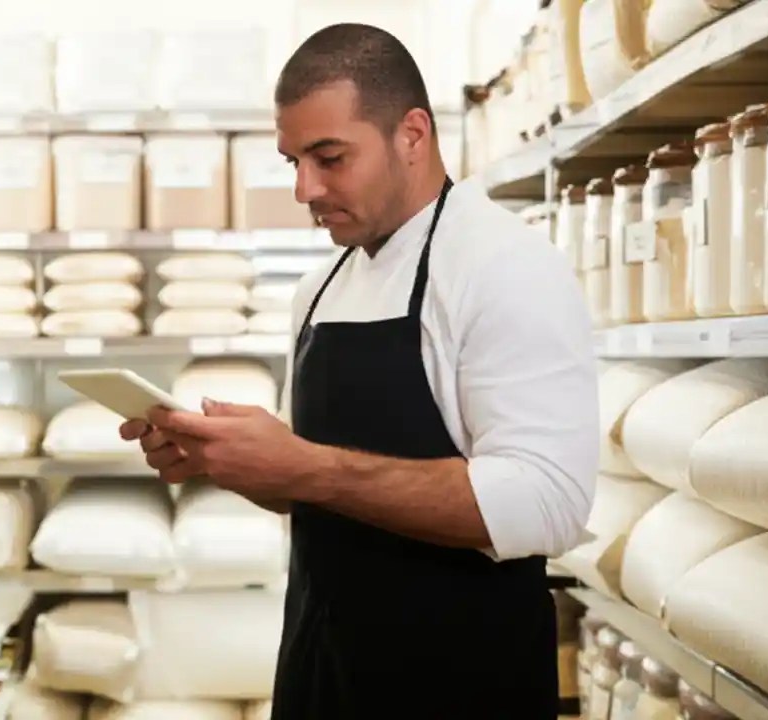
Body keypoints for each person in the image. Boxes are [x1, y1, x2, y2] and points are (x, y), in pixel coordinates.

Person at [119, 22, 598, 718]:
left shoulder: (503, 267)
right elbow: (323, 490)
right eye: (293, 162)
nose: (304, 189)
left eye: (330, 157)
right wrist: (232, 462)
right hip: (324, 671)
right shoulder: (319, 288)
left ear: (412, 134)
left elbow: (546, 503)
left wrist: (305, 467)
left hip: (460, 687)